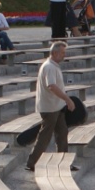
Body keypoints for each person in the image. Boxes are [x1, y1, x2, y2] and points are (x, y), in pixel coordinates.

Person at [26, 40, 71, 171]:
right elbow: (51, 86)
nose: (64, 55)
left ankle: (63, 161)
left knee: (62, 133)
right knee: (45, 136)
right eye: (62, 53)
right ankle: (32, 162)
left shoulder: (53, 65)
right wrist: (67, 99)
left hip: (56, 106)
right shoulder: (49, 67)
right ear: (55, 53)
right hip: (50, 108)